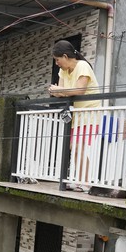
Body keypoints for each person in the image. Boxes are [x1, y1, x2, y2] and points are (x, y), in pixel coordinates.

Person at [49, 40, 101, 191]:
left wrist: (59, 91)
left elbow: (79, 90)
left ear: (65, 56)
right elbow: (62, 92)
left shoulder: (82, 66)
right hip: (77, 115)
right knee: (75, 148)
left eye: (57, 60)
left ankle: (85, 183)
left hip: (89, 113)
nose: (57, 63)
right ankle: (80, 181)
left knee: (78, 147)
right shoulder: (63, 71)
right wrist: (58, 91)